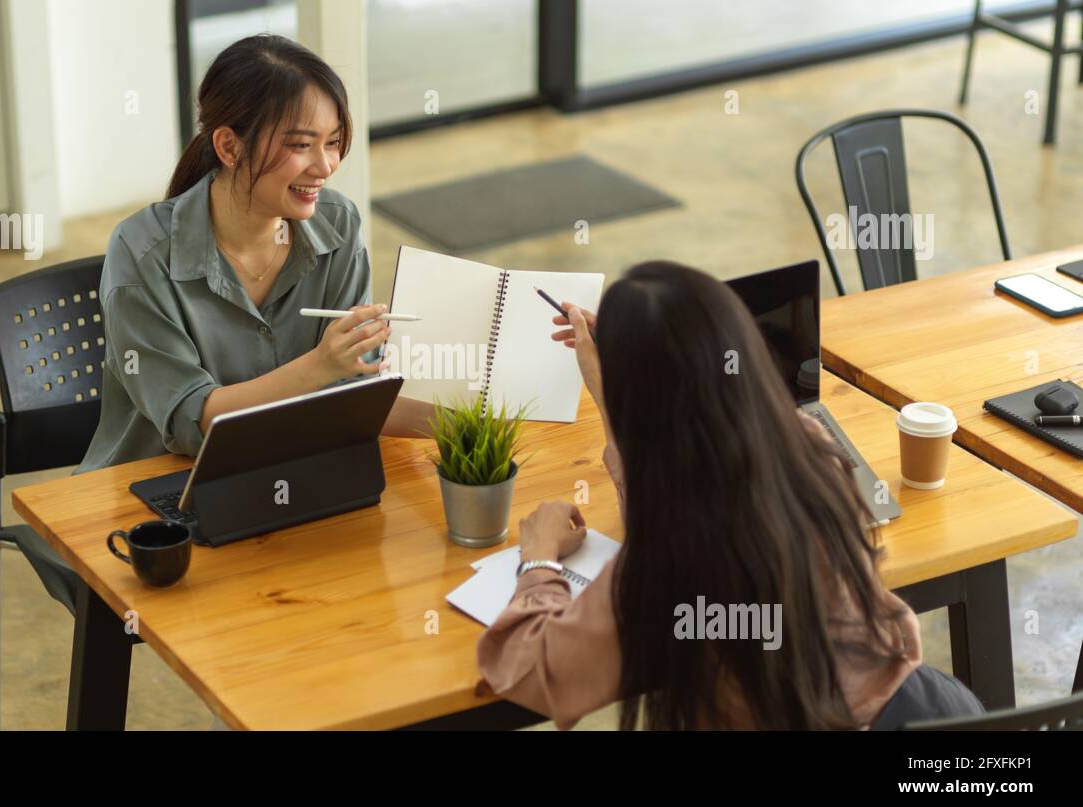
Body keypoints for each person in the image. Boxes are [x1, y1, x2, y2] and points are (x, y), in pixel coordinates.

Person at [477, 261, 984, 730]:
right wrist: (612, 392)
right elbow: (673, 484)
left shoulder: (666, 561)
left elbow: (538, 672)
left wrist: (538, 561)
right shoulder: (808, 445)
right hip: (936, 711)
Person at [77, 34, 430, 474]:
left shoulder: (338, 225)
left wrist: (476, 419)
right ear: (229, 147)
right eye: (301, 145)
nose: (325, 166)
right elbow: (196, 420)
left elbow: (351, 394)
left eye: (333, 142)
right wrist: (321, 366)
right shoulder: (142, 253)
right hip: (152, 492)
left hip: (286, 469)